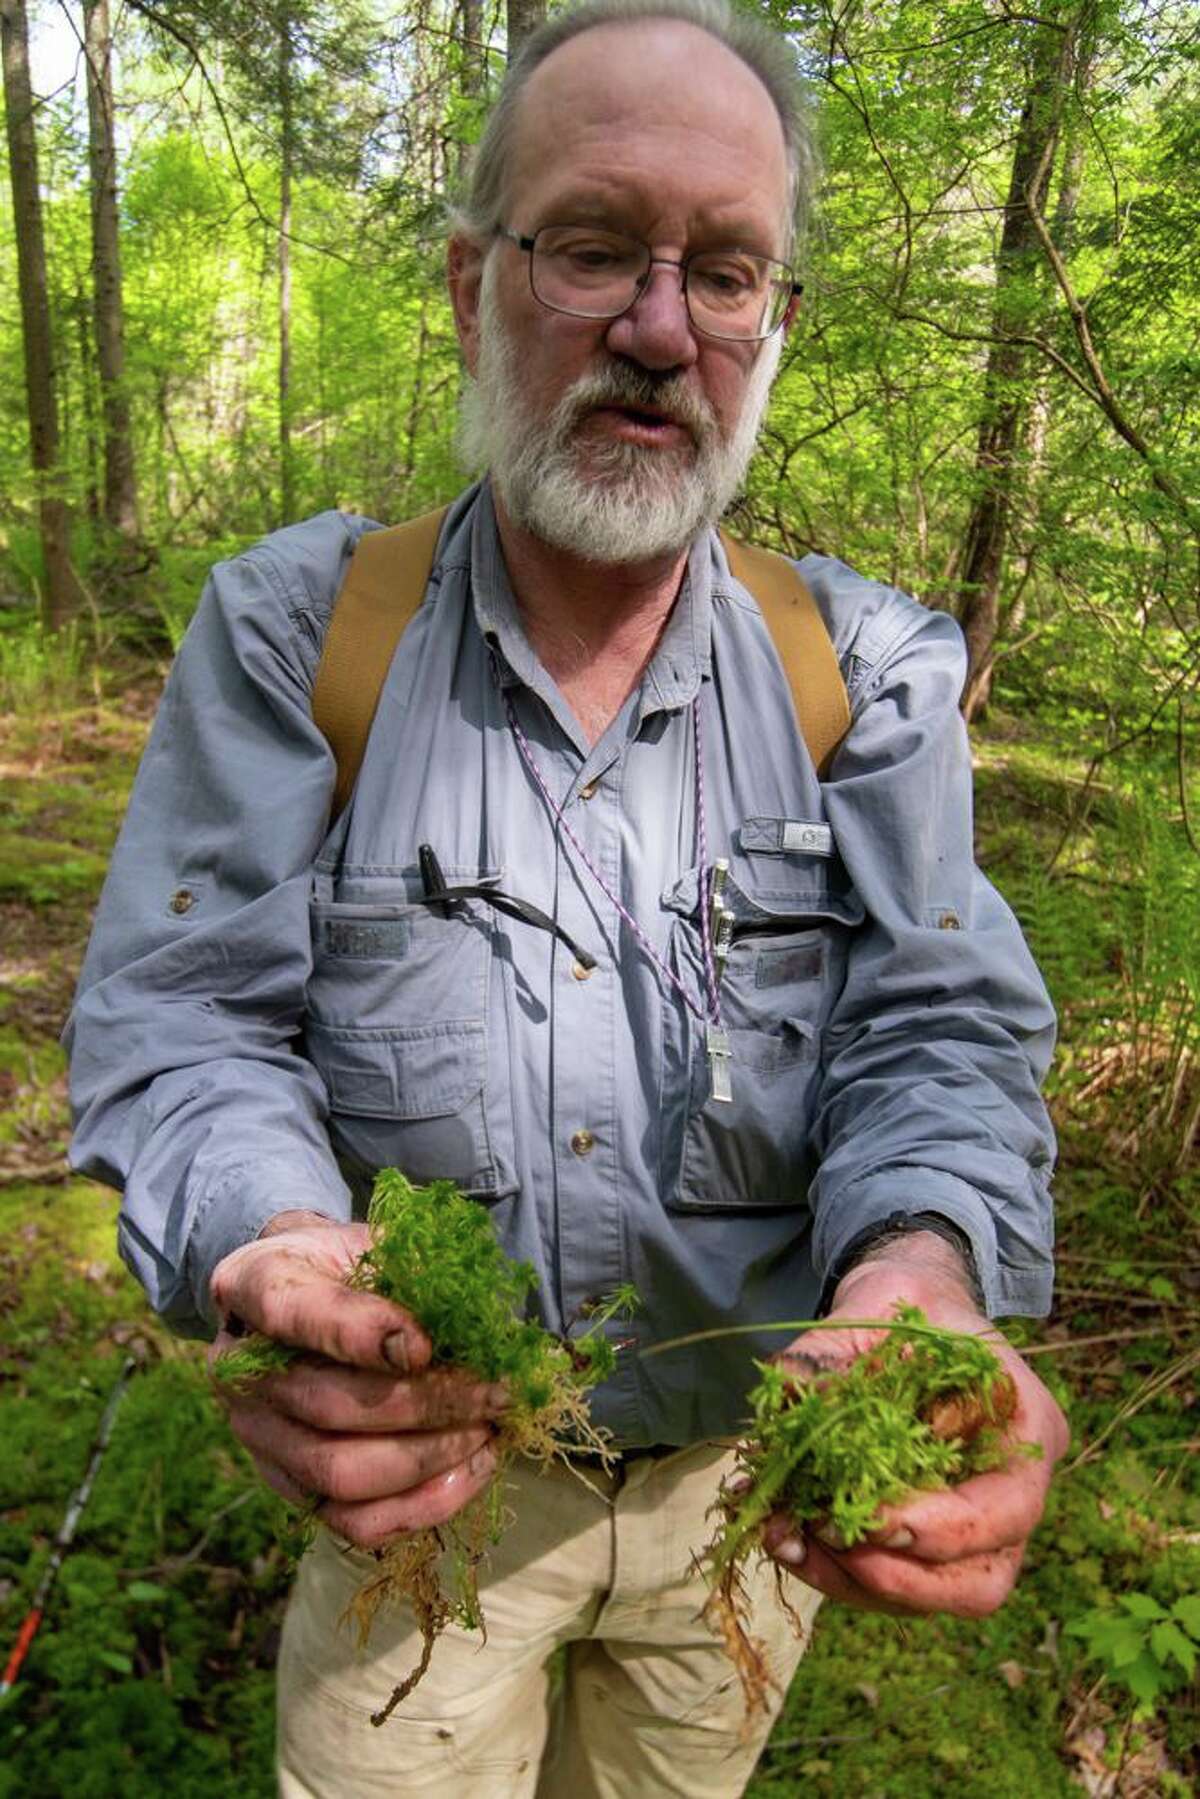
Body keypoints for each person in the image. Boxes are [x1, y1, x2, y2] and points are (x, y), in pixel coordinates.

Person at [66, 0, 1069, 1791]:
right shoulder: (301, 639)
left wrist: (921, 1266)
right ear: (473, 289)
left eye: (727, 274)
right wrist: (268, 1241)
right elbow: (189, 1018)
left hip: (737, 1501)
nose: (663, 331)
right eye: (595, 250)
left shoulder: (868, 677)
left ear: (771, 324)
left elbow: (934, 1028)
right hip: (424, 1493)